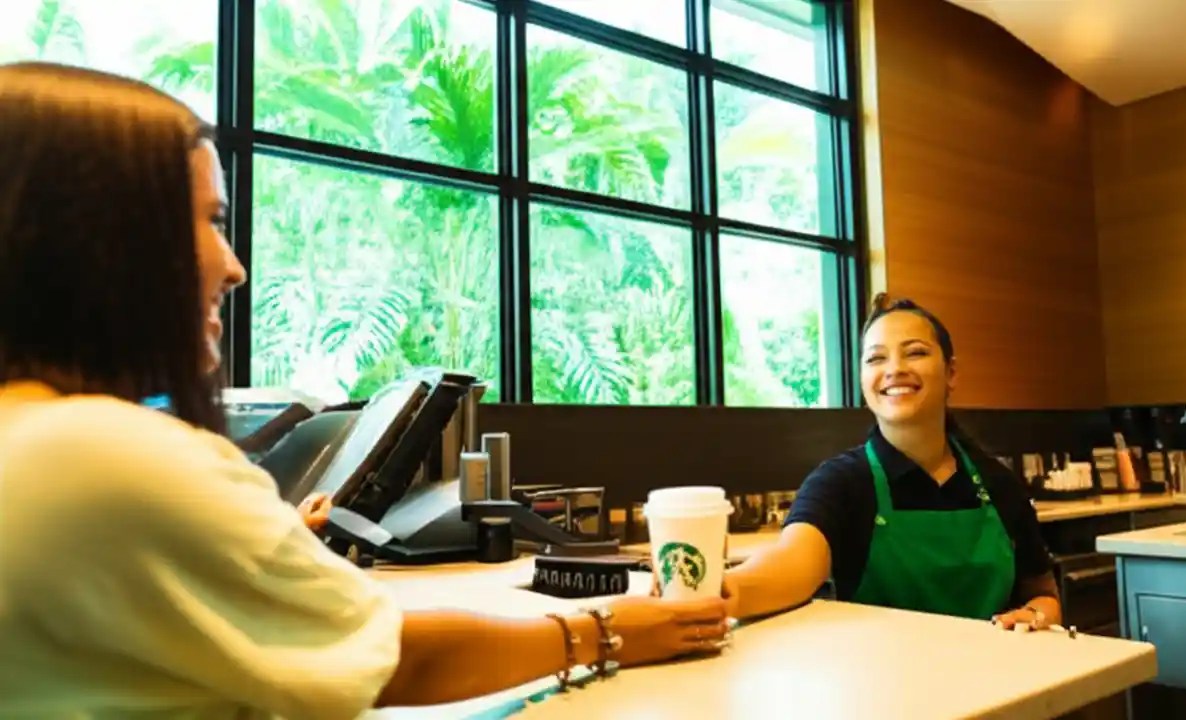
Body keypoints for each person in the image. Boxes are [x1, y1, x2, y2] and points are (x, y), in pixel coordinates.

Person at [0, 62, 728, 719]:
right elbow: (399, 661)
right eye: (209, 223)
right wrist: (610, 630)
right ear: (89, 235)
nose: (233, 267)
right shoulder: (102, 454)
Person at [724, 294, 1062, 630]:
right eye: (875, 359)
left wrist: (1036, 617)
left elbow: (1044, 595)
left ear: (951, 372)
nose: (895, 369)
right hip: (883, 680)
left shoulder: (998, 483)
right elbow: (792, 563)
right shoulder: (841, 483)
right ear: (862, 379)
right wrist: (719, 593)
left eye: (915, 353)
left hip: (1002, 679)